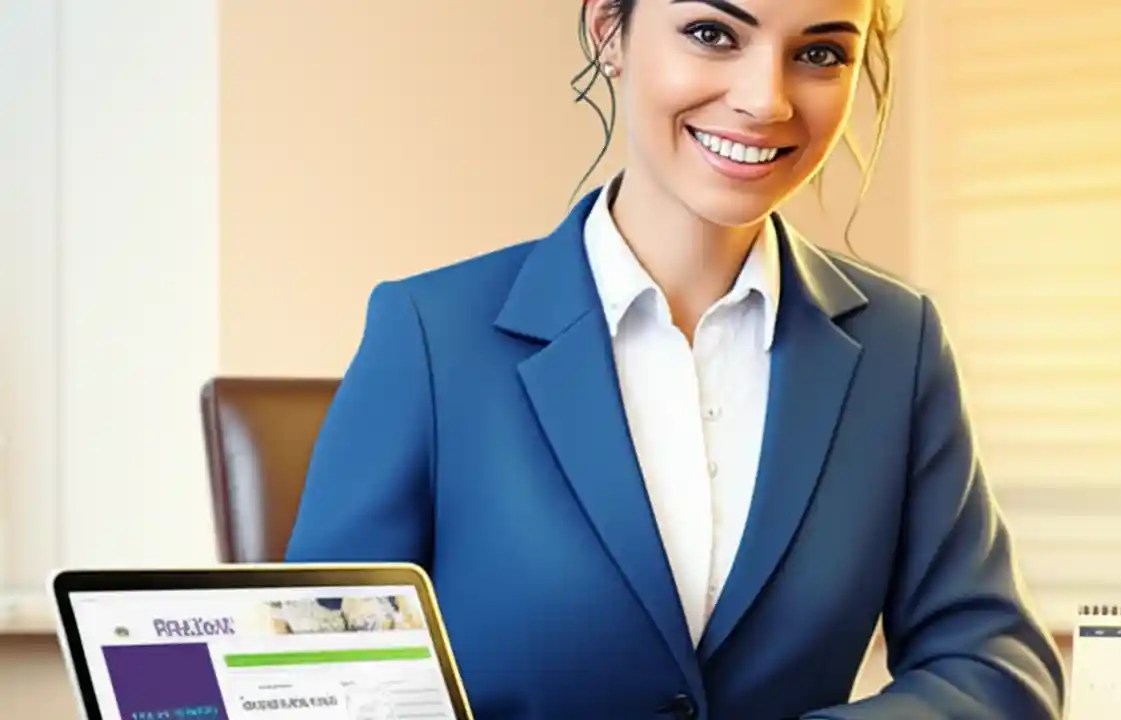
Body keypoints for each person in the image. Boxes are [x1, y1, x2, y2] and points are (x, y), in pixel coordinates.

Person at [285, 0, 1066, 717]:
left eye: (820, 53)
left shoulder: (899, 344)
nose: (766, 100)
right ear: (608, 30)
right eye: (712, 34)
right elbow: (314, 685)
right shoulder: (431, 336)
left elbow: (994, 668)